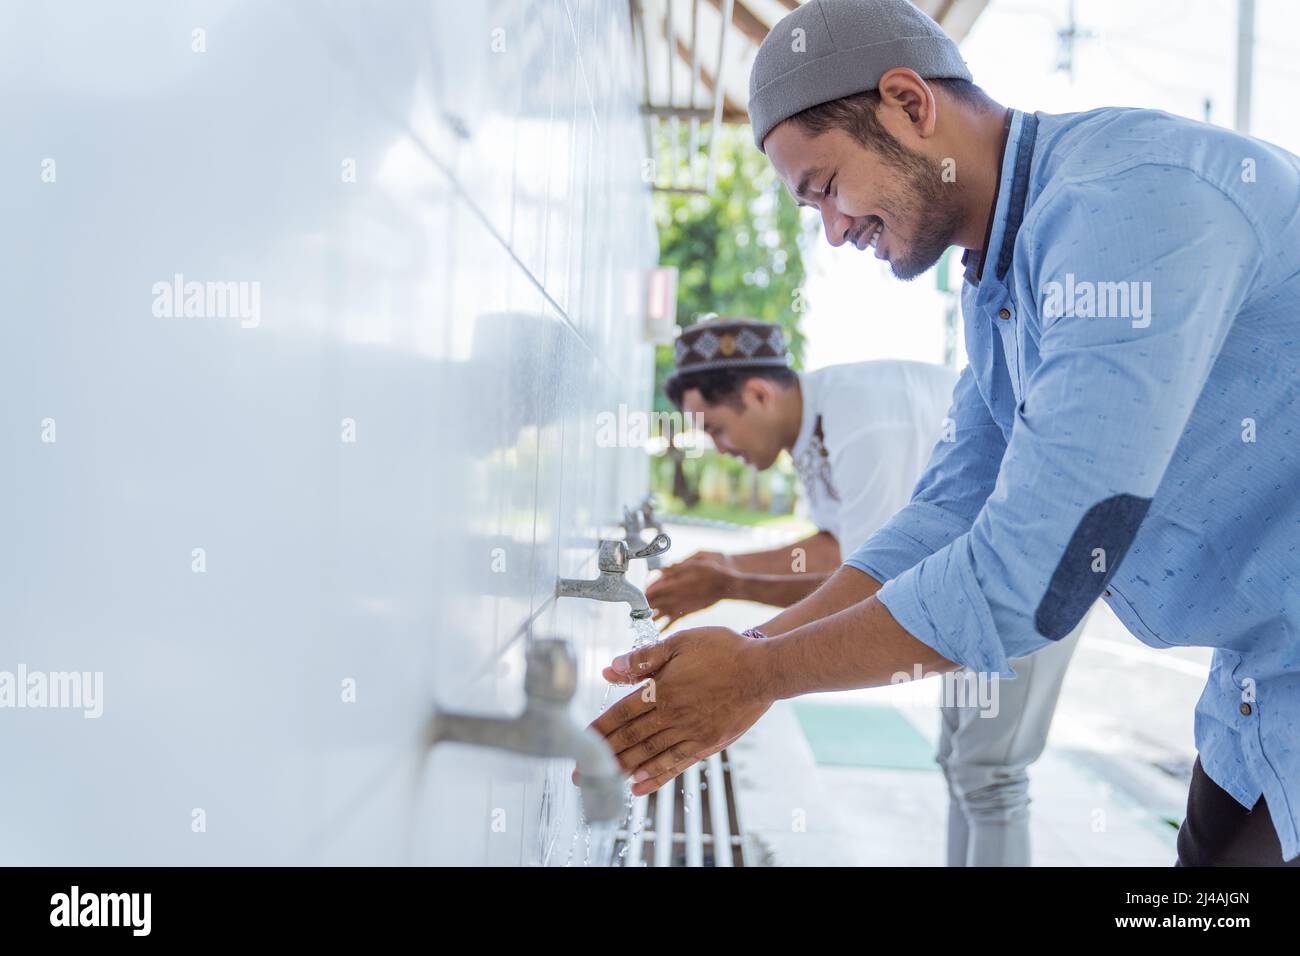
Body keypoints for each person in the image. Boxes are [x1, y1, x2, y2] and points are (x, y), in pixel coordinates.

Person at [588, 0, 1300, 866]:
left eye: (826, 188)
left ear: (909, 104)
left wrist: (759, 676)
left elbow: (1041, 572)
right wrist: (749, 655)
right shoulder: (998, 280)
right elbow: (937, 522)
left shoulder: (1125, 207)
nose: (835, 231)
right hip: (1264, 684)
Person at [647, 316, 1081, 864]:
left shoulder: (860, 419)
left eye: (715, 429)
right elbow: (841, 551)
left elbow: (868, 581)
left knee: (990, 771)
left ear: (757, 394)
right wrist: (727, 572)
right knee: (961, 761)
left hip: (1037, 563)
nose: (720, 448)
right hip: (969, 575)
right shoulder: (813, 423)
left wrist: (741, 627)